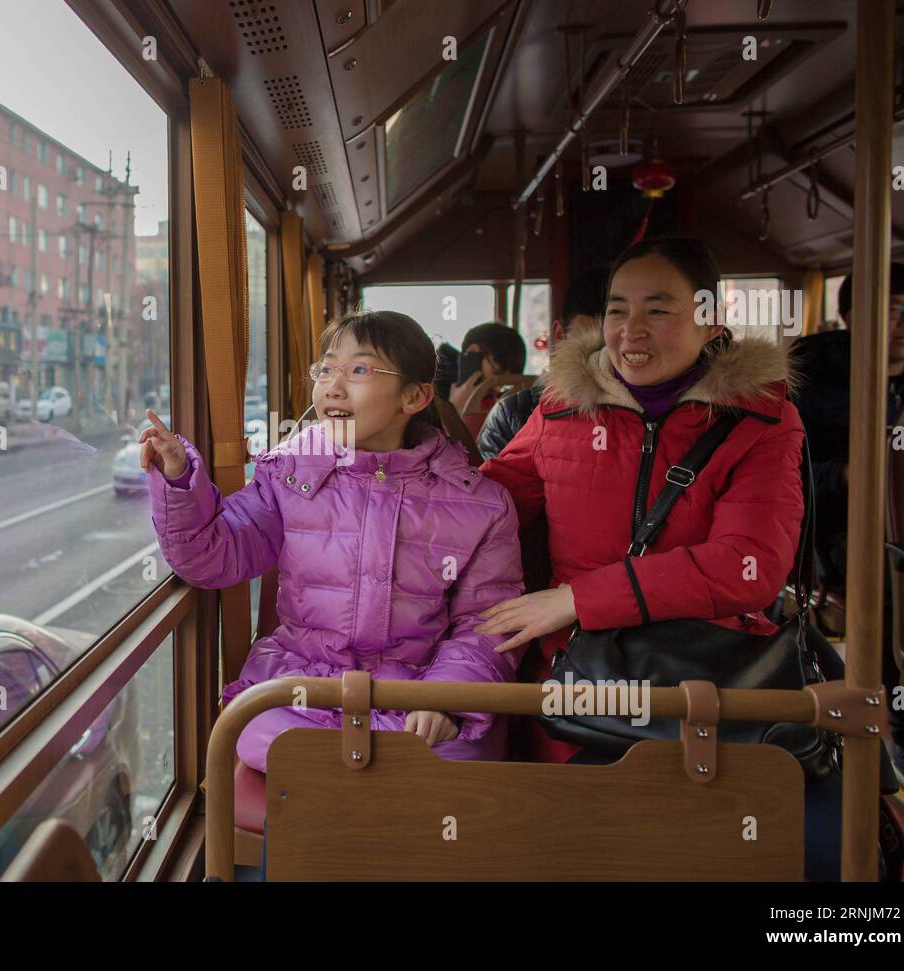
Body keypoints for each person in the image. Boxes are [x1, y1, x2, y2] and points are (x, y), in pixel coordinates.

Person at [478, 237, 841, 878]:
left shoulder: (761, 420)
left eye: (658, 309)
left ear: (709, 316)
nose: (630, 331)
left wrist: (575, 599)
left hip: (713, 672)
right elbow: (483, 509)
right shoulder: (561, 410)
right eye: (618, 310)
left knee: (809, 850)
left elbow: (748, 566)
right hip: (579, 675)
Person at [141, 309, 524, 774]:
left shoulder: (479, 505)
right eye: (325, 369)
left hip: (415, 691)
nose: (332, 386)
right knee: (263, 736)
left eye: (359, 370)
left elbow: (485, 624)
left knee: (455, 750)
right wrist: (180, 479)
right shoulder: (288, 474)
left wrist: (445, 701)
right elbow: (210, 556)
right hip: (303, 687)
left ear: (415, 396)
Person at [791, 262, 904, 808]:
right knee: (892, 577)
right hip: (837, 533)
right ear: (852, 316)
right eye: (893, 310)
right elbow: (783, 475)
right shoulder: (809, 378)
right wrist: (842, 475)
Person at [476, 266, 611, 461]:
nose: (605, 360)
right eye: (591, 347)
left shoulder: (648, 413)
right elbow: (493, 490)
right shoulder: (513, 416)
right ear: (559, 335)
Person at [449, 322, 527, 440]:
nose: (497, 388)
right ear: (473, 352)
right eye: (496, 374)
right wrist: (454, 411)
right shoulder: (435, 391)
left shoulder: (506, 405)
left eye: (505, 385)